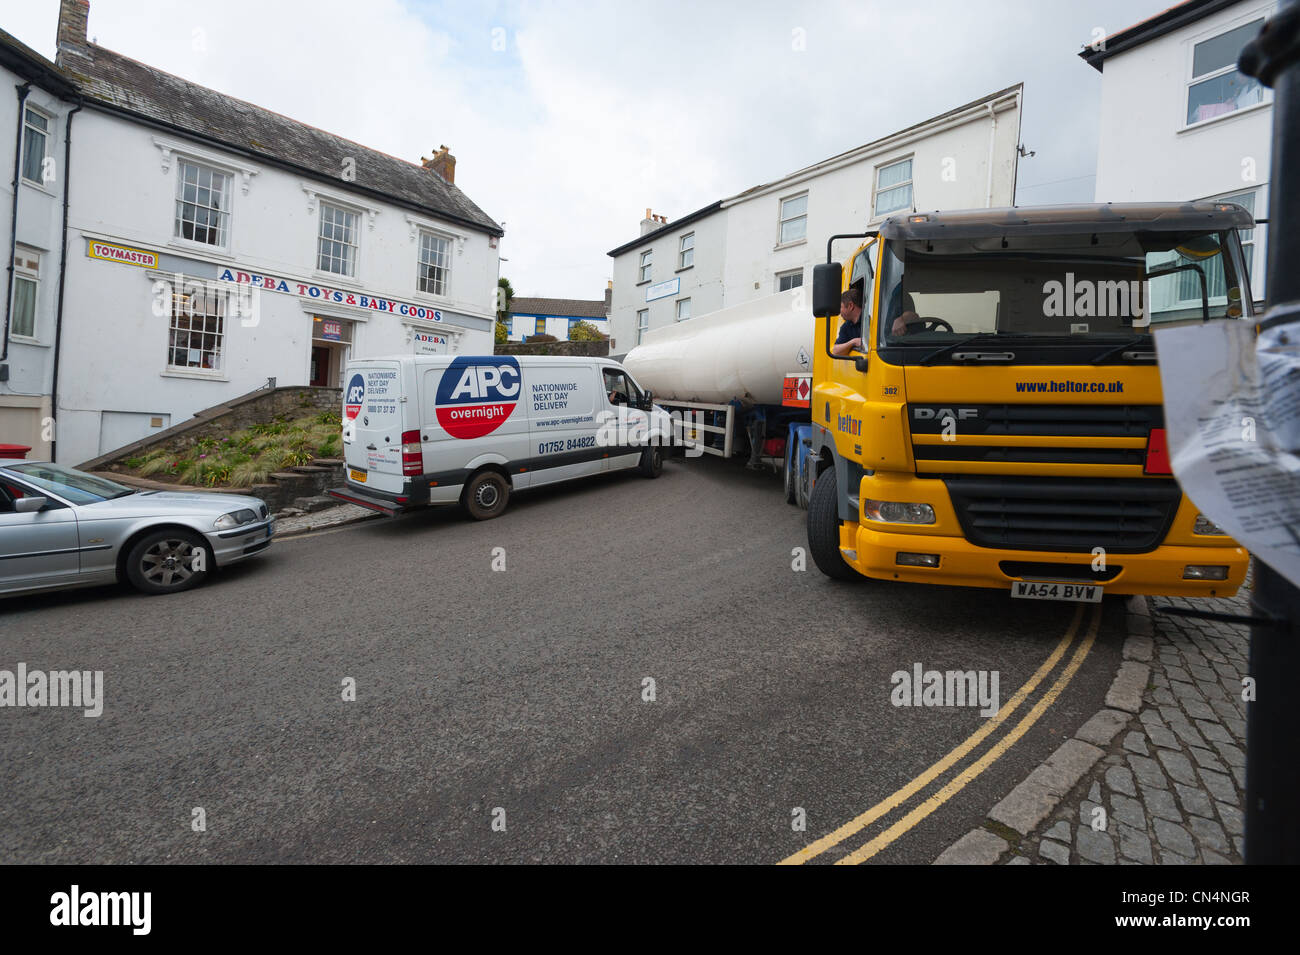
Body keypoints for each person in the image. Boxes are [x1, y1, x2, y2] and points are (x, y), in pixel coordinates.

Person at [830, 288, 865, 356]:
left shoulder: (870, 322)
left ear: (850, 306)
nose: (839, 312)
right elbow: (835, 351)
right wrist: (853, 342)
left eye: (840, 307)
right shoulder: (846, 327)